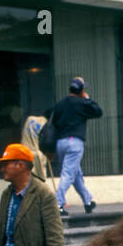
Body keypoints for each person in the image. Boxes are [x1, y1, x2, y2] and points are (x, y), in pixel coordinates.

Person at [46, 77, 102, 216]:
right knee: (68, 174)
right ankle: (58, 204)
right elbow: (98, 111)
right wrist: (87, 98)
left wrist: (51, 149)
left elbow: (54, 125)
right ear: (81, 90)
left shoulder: (60, 104)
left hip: (60, 143)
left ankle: (87, 201)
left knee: (76, 174)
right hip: (74, 142)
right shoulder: (81, 103)